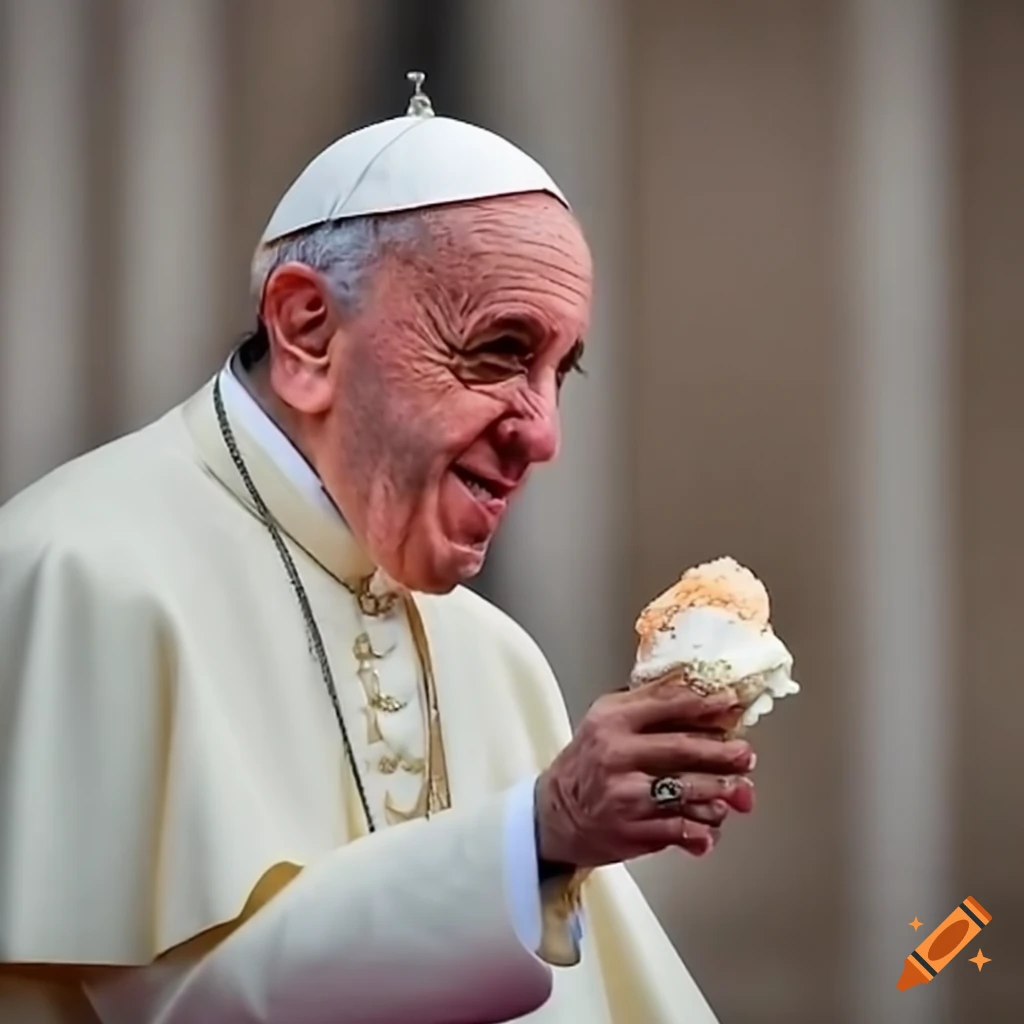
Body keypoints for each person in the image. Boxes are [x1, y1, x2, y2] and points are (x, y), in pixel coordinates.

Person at [0, 74, 756, 1023]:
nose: (544, 432)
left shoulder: (496, 656)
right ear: (308, 329)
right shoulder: (78, 575)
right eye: (498, 352)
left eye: (560, 372)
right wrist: (537, 834)